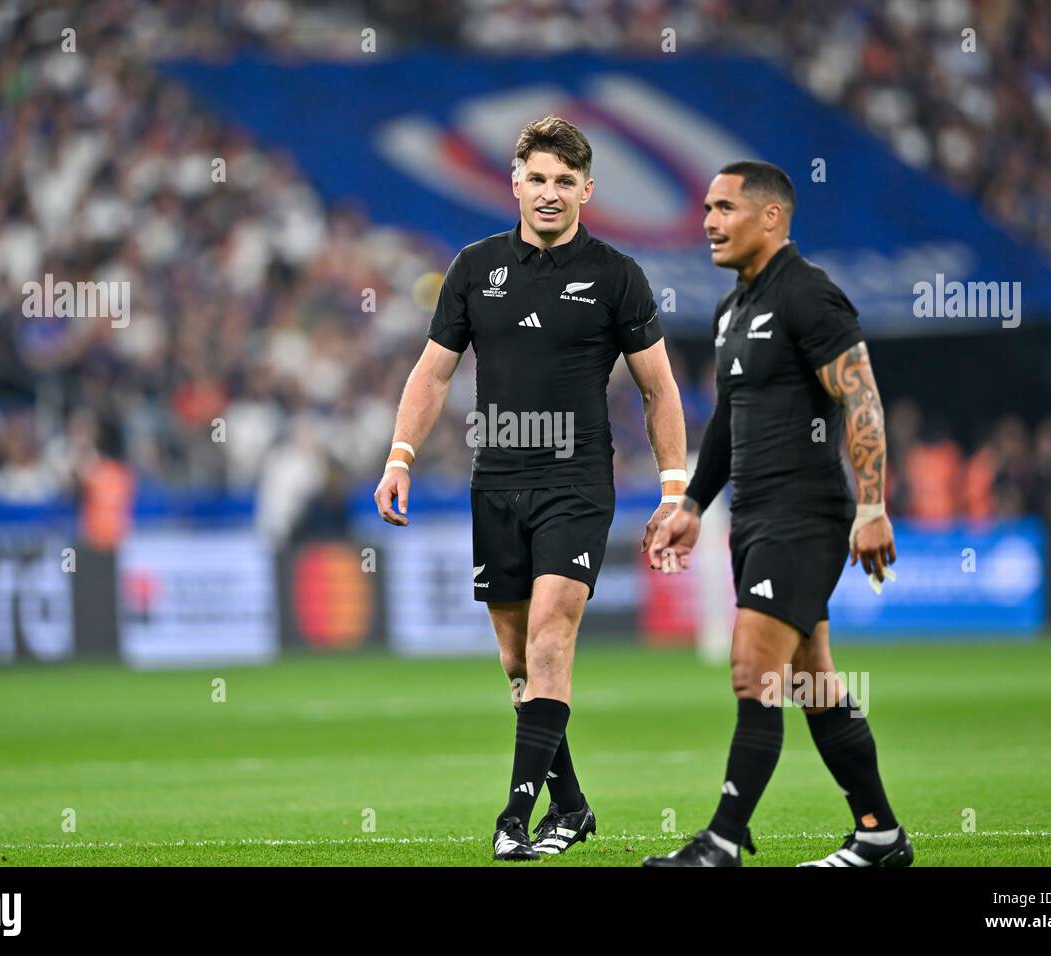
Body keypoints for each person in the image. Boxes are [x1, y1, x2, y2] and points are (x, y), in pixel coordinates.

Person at [373, 116, 687, 860]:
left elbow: (660, 390)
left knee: (552, 632)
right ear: (514, 182)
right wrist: (399, 456)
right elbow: (433, 371)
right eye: (537, 179)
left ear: (587, 189)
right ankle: (571, 807)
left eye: (564, 182)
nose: (550, 194)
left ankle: (513, 820)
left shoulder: (617, 276)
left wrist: (674, 489)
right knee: (521, 667)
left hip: (577, 481)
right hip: (498, 480)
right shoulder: (475, 267)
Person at [644, 161, 911, 868]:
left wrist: (873, 505)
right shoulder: (730, 311)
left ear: (771, 217)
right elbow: (728, 424)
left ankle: (723, 839)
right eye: (704, 207)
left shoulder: (809, 295)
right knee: (813, 680)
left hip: (806, 517)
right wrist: (693, 504)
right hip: (754, 520)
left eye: (724, 207)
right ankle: (880, 835)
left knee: (750, 670)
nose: (707, 221)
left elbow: (862, 398)